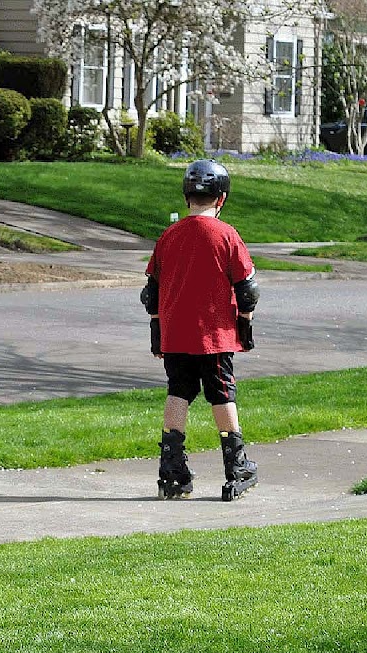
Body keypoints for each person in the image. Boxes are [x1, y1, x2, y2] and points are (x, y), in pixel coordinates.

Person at [144, 158, 261, 502]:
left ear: (186, 197)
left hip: (176, 334)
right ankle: (236, 465)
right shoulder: (227, 235)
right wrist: (246, 323)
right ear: (221, 198)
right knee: (222, 393)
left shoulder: (169, 235)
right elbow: (247, 289)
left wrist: (157, 329)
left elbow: (151, 290)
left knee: (178, 391)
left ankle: (172, 470)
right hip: (214, 334)